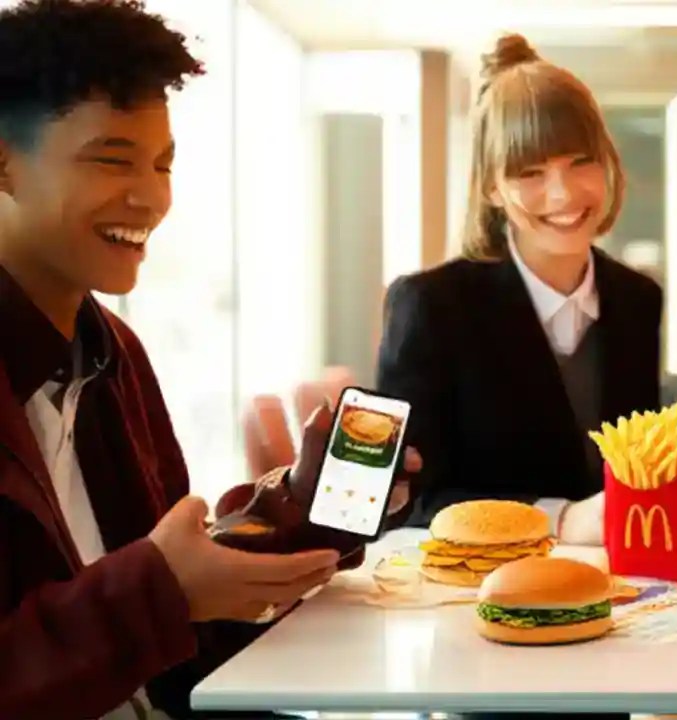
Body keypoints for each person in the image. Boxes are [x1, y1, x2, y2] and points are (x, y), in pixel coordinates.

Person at [0, 2, 417, 718]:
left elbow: (179, 615)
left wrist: (301, 512)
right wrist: (160, 589)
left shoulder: (112, 354)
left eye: (163, 164)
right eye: (112, 159)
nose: (151, 196)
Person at [377, 33, 677, 547]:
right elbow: (405, 504)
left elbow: (630, 465)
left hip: (619, 597)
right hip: (473, 600)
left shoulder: (636, 298)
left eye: (580, 162)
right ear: (491, 187)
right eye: (530, 173)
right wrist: (561, 519)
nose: (563, 194)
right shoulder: (431, 307)